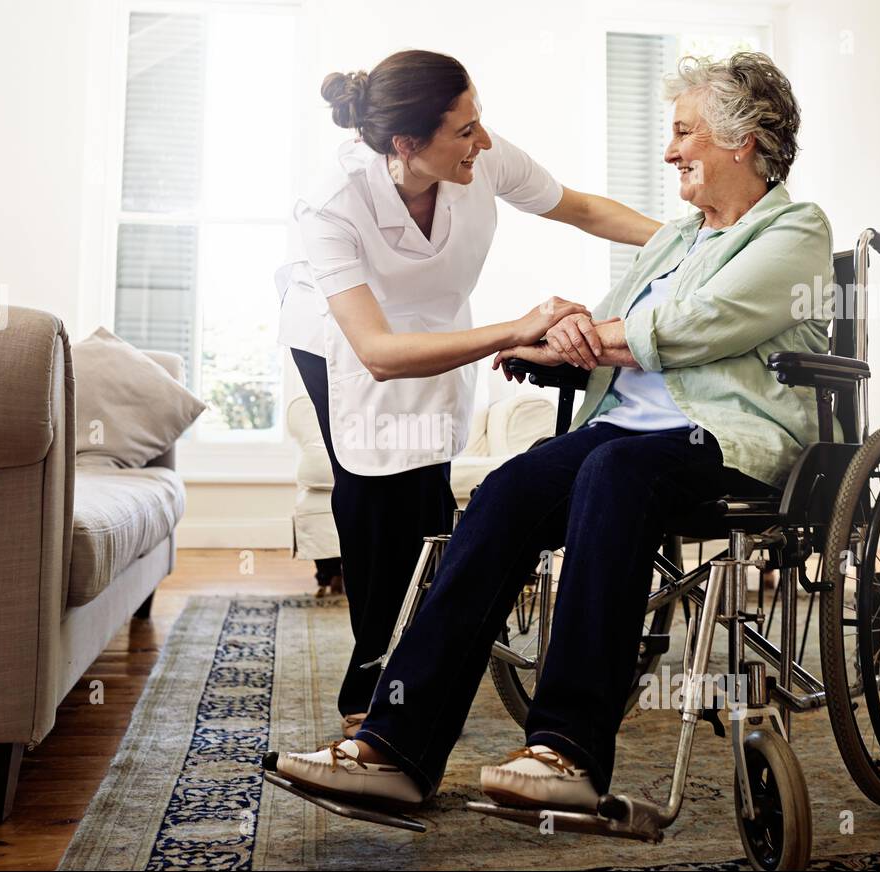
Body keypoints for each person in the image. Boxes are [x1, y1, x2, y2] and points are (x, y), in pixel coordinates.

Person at [272, 51, 836, 811]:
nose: (669, 151)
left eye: (682, 133)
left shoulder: (794, 230)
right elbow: (598, 329)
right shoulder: (676, 240)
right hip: (623, 433)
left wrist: (571, 335)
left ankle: (566, 751)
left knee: (614, 474)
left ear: (743, 141)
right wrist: (538, 341)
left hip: (722, 439)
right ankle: (392, 745)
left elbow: (693, 324)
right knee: (508, 489)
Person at [276, 49, 661, 738]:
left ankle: (415, 662)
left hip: (431, 326)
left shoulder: (479, 156)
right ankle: (370, 689)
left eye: (480, 122)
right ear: (406, 144)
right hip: (344, 340)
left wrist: (691, 243)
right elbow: (378, 354)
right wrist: (517, 330)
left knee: (426, 494)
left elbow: (580, 209)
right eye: (465, 130)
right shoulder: (332, 203)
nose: (482, 141)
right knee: (374, 499)